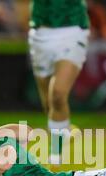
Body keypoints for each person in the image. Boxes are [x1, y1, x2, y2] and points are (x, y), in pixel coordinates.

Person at [28, 0, 90, 165]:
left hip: (72, 28)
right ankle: (65, 130)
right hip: (40, 32)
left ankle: (56, 154)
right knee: (49, 104)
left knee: (58, 93)